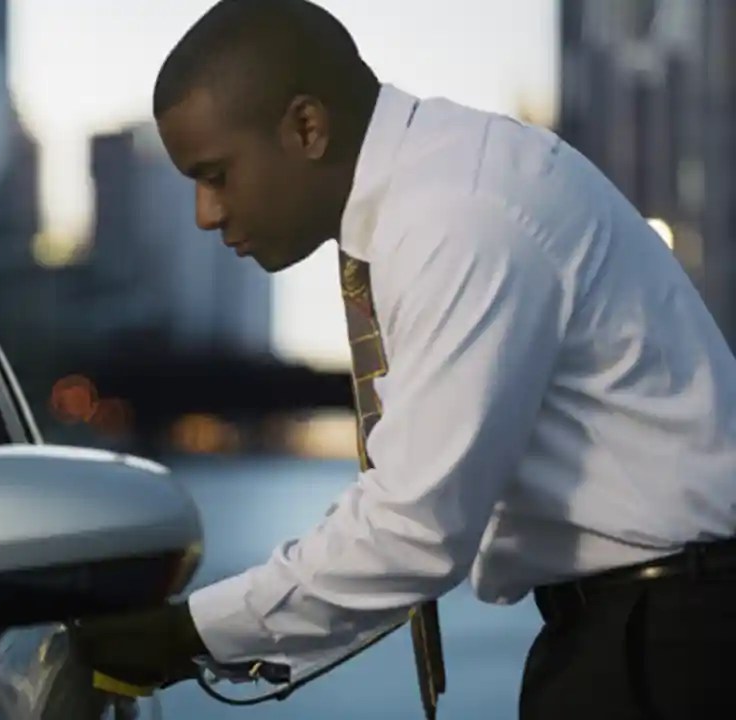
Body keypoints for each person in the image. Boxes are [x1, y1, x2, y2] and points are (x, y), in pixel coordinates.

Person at [70, 1, 736, 718]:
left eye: (216, 174)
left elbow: (415, 529)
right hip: (641, 625)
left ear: (306, 128)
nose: (206, 212)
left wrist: (181, 635)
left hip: (674, 642)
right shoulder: (436, 190)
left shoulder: (460, 216)